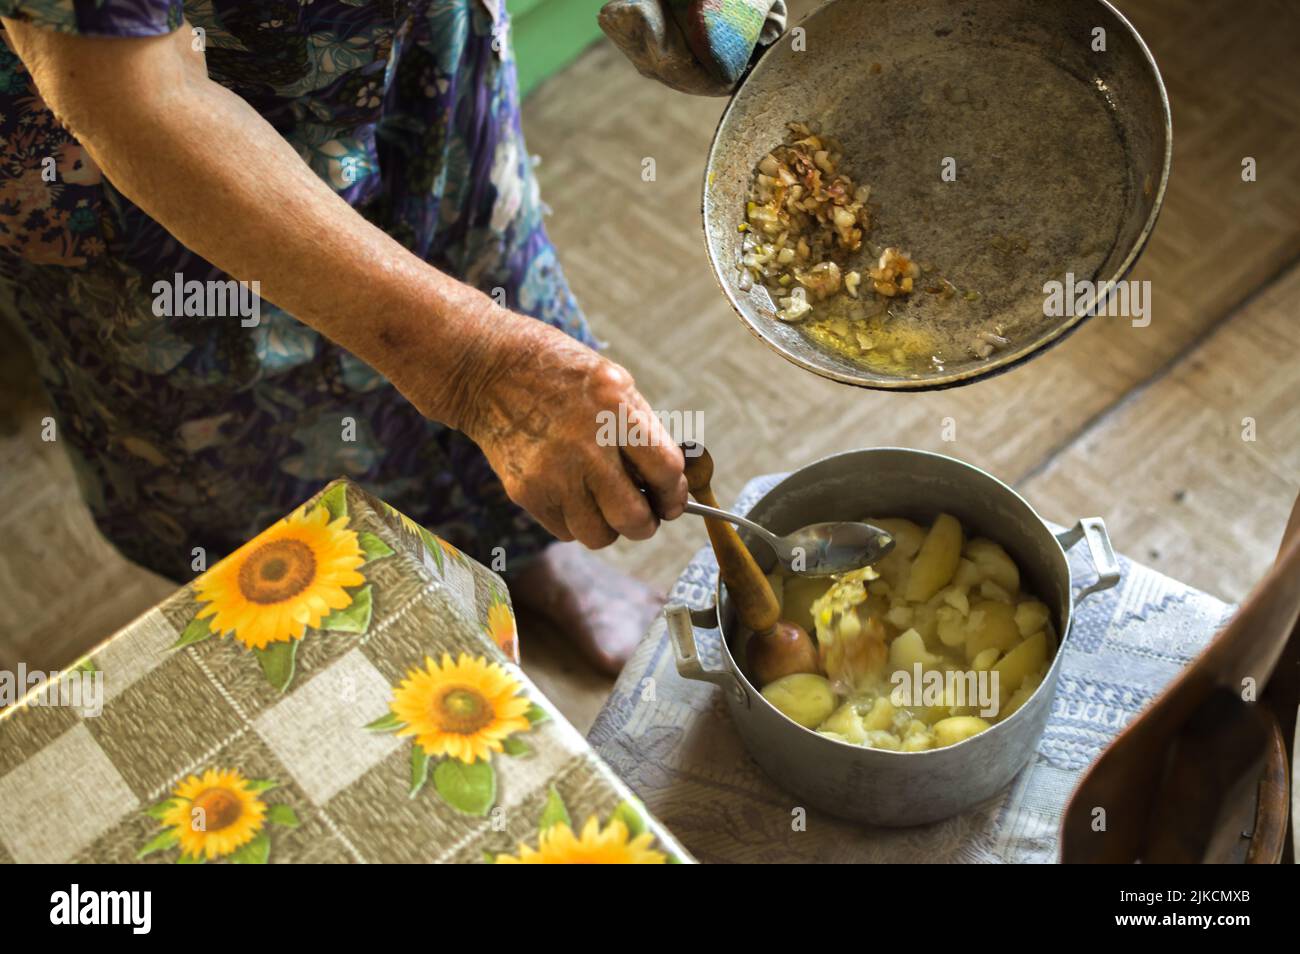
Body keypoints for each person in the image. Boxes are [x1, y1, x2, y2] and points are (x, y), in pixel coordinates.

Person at [0, 0, 782, 673]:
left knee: (487, 274)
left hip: (411, 48)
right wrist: (476, 366)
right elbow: (132, 95)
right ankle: (355, 634)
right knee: (245, 444)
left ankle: (534, 561)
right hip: (145, 155)